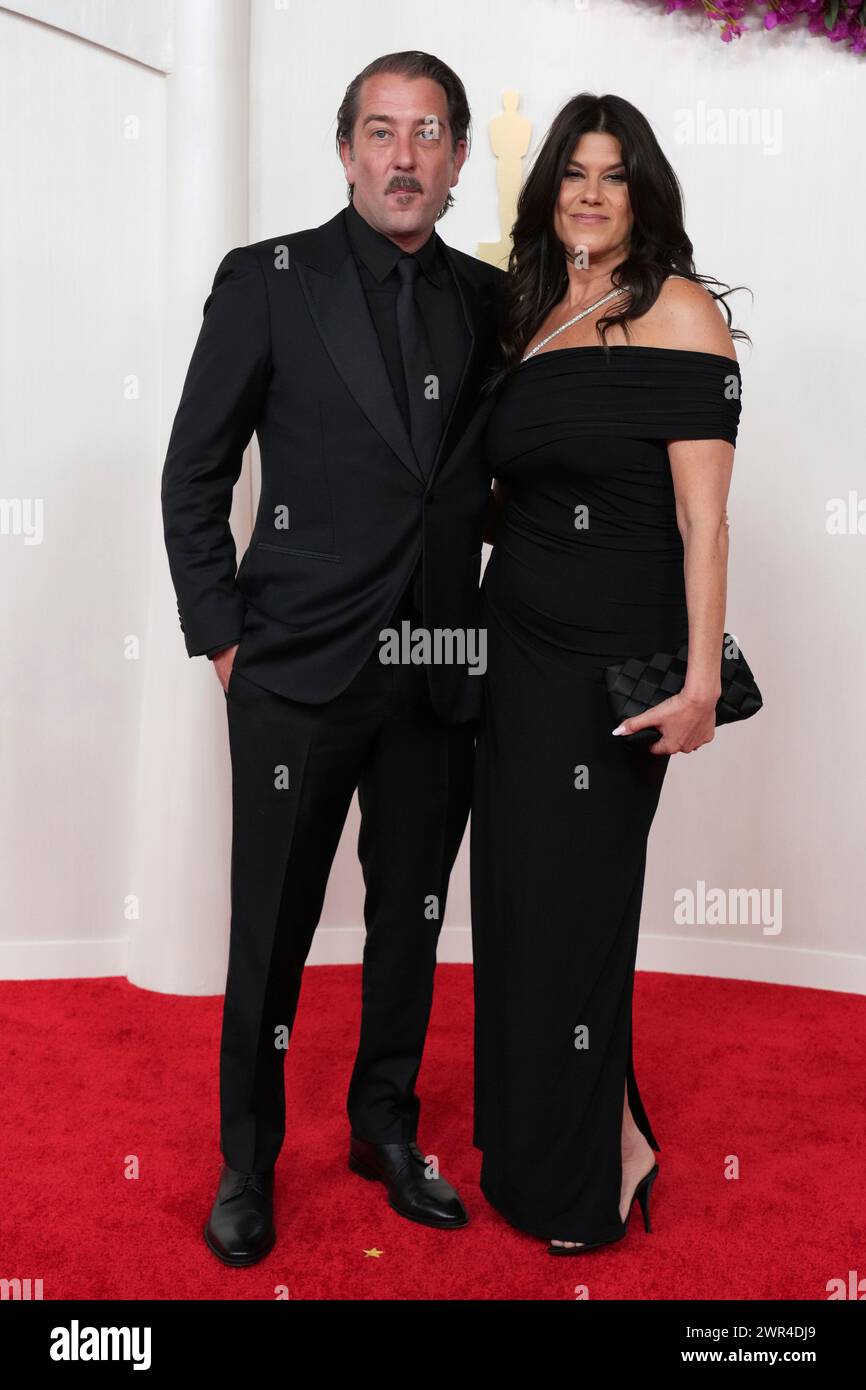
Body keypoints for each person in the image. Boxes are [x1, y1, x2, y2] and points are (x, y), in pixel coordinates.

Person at [161, 50, 504, 1266]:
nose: (402, 156)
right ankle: (245, 1164)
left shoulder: (488, 301)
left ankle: (382, 1127)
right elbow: (194, 471)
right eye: (379, 131)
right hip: (295, 670)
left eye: (426, 134)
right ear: (346, 150)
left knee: (408, 919)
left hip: (437, 662)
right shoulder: (268, 281)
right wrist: (223, 637)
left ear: (459, 157)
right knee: (274, 928)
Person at [471, 92, 746, 1253]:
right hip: (513, 655)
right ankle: (564, 1129)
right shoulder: (530, 309)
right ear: (547, 191)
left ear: (643, 194)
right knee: (519, 906)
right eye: (572, 173)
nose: (589, 192)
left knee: (577, 910)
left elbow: (704, 522)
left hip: (612, 668)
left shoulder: (679, 313)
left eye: (613, 175)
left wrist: (696, 684)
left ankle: (596, 1164)